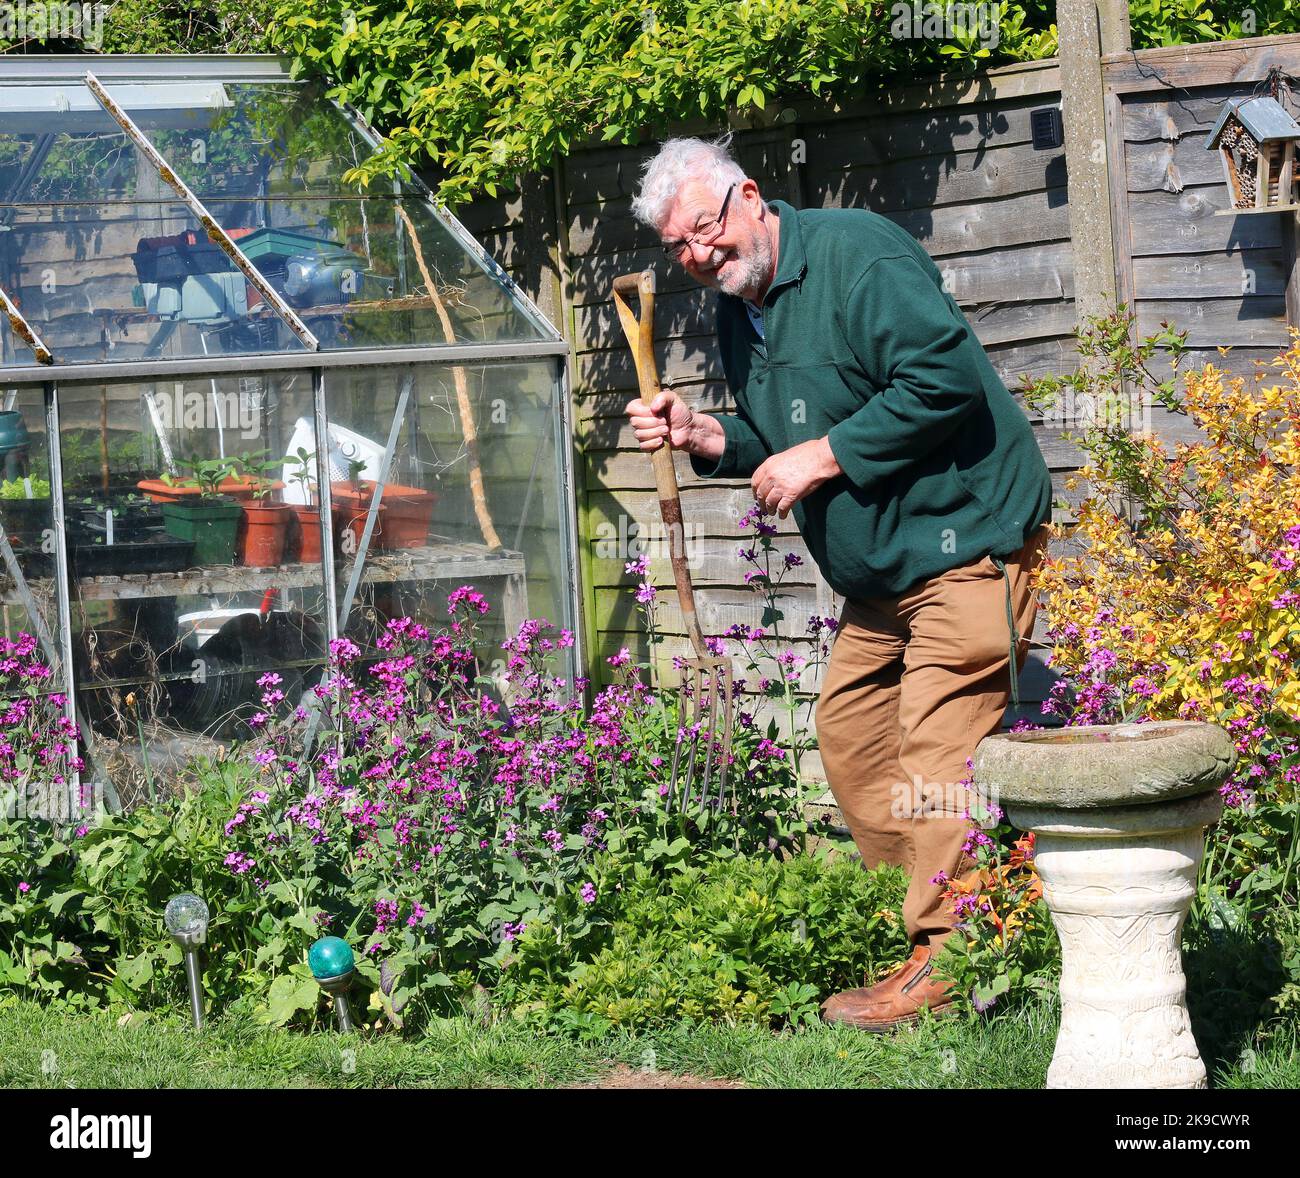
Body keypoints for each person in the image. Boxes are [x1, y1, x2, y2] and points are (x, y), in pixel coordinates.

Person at [624, 134, 1053, 1031]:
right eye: (679, 248)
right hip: (883, 574)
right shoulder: (743, 305)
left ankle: (953, 954)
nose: (699, 257)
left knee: (936, 761)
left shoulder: (857, 255)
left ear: (747, 197)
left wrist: (824, 456)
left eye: (704, 230)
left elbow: (943, 382)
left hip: (967, 542)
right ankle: (966, 916)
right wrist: (712, 437)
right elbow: (773, 430)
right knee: (853, 740)